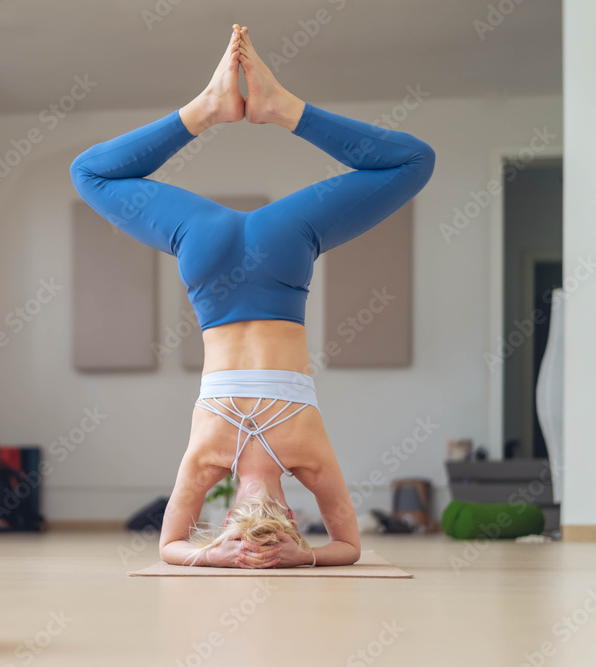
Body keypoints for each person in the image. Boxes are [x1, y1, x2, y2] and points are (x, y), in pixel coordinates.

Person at [70, 25, 435, 567]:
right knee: (90, 174)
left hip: (277, 256)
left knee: (412, 162)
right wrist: (229, 554)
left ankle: (263, 108)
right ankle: (221, 108)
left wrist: (294, 557)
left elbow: (347, 548)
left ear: (292, 517)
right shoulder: (208, 459)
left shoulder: (305, 459)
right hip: (213, 258)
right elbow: (172, 548)